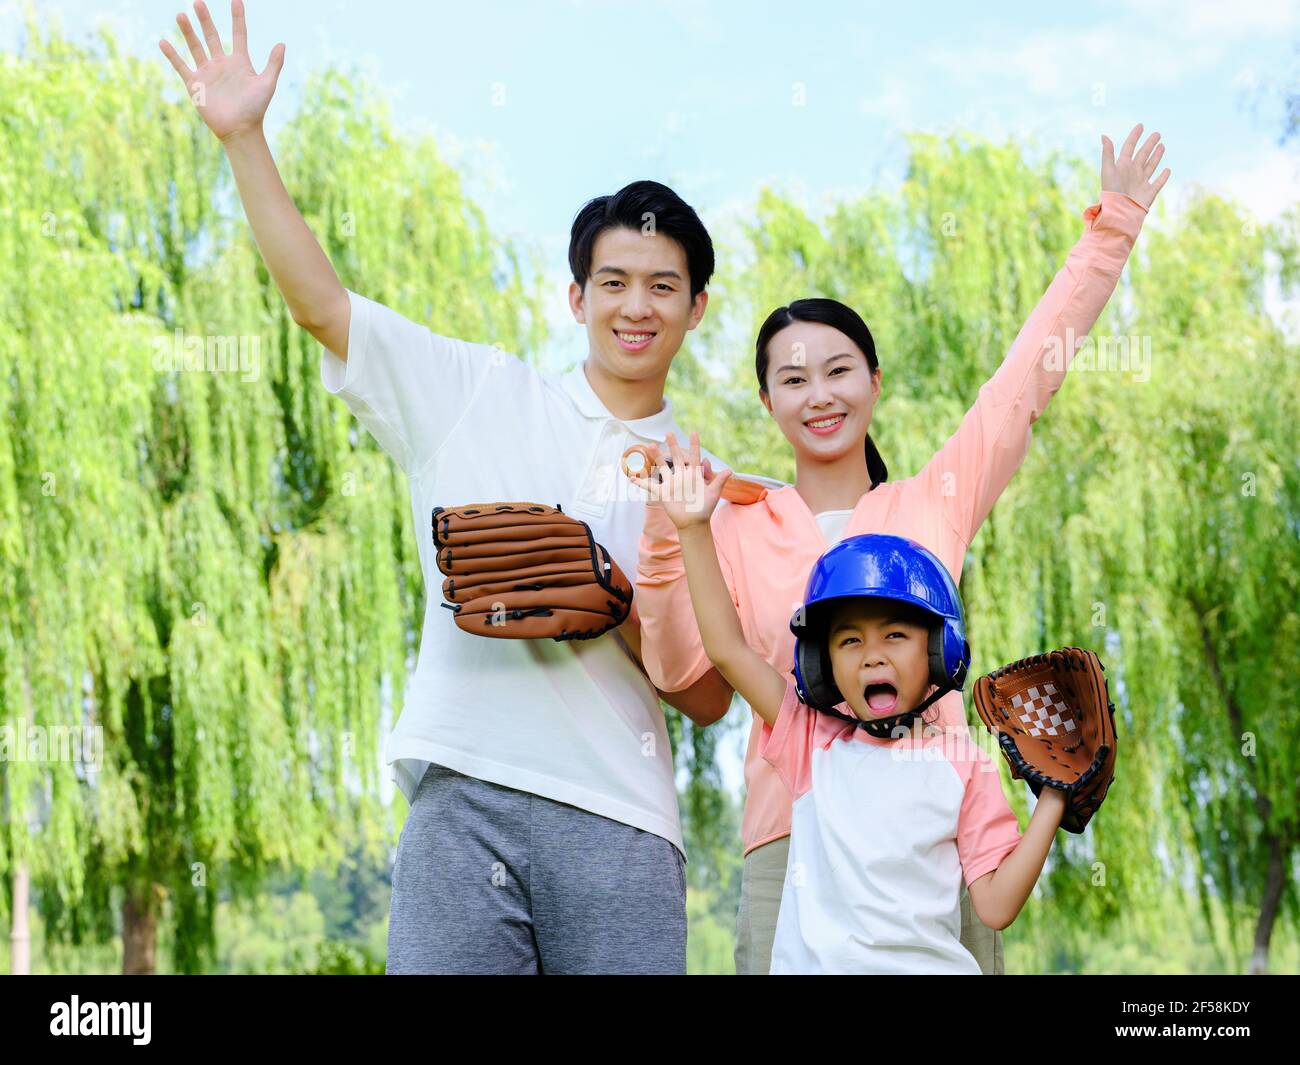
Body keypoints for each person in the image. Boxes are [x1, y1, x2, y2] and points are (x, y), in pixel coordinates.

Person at [160, 0, 742, 973]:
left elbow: (711, 699)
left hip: (621, 821)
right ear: (576, 297)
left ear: (695, 307)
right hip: (463, 795)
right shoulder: (476, 395)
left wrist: (616, 605)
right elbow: (322, 307)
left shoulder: (707, 488)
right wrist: (245, 139)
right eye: (612, 281)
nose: (634, 305)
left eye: (660, 285)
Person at [634, 125, 1169, 973]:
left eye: (839, 370)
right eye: (793, 378)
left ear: (875, 382)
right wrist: (670, 529)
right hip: (793, 837)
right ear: (767, 398)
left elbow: (1024, 380)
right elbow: (682, 667)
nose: (819, 395)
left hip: (935, 835)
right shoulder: (732, 521)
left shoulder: (931, 501)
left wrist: (1112, 230)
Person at [627, 445, 1067, 973]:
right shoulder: (810, 740)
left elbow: (995, 906)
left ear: (937, 651)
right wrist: (694, 529)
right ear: (821, 664)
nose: (873, 654)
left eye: (896, 635)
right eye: (849, 641)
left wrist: (1054, 799)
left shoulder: (962, 763)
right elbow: (727, 647)